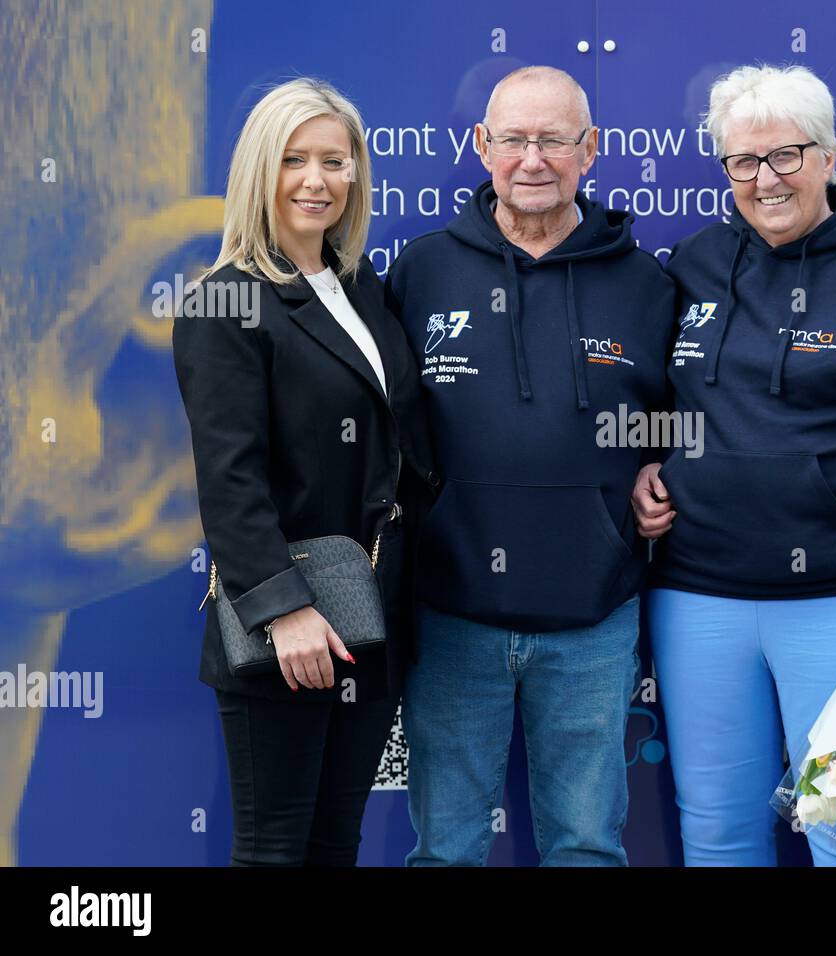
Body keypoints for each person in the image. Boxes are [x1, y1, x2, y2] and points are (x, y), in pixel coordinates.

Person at [632, 64, 836, 866]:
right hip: (697, 595)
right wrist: (642, 466)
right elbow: (654, 394)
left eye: (785, 155)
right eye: (742, 162)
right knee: (716, 832)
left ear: (828, 155)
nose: (765, 179)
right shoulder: (697, 264)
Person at [387, 66, 676, 866]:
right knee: (445, 849)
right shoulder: (421, 271)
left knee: (586, 846)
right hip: (451, 615)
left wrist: (663, 472)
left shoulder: (646, 282)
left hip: (594, 614)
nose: (533, 158)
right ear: (482, 146)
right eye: (513, 139)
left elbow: (682, 417)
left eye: (554, 139)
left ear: (591, 149)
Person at [173, 78, 437, 866]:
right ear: (262, 169)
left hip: (373, 615)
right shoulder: (226, 303)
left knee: (335, 842)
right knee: (274, 850)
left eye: (335, 159)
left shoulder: (360, 288)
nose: (317, 179)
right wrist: (283, 612)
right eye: (295, 159)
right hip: (288, 625)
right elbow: (230, 479)